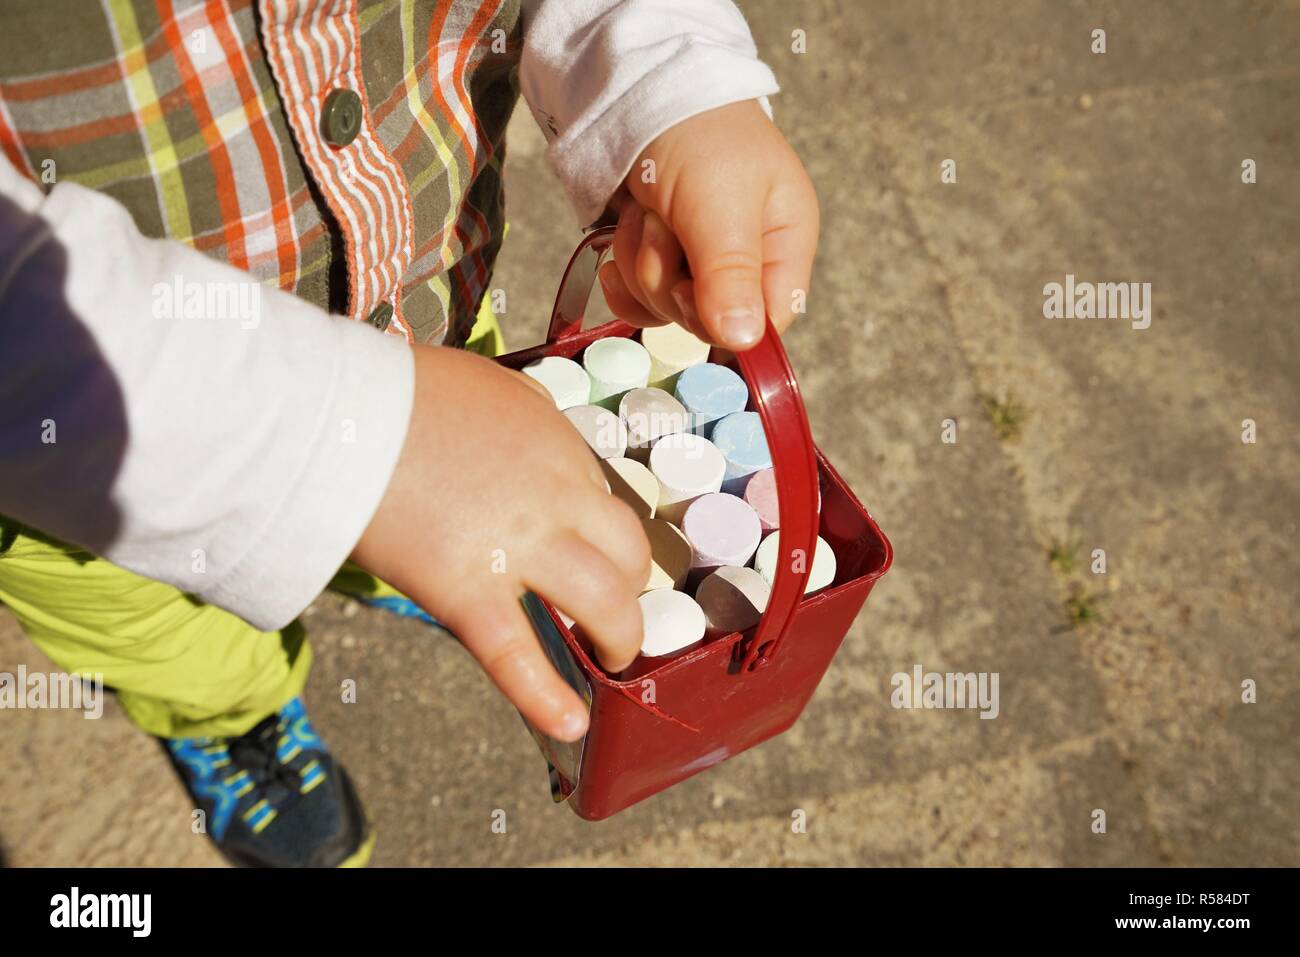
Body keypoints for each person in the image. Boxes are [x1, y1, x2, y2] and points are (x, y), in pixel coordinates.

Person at [0, 0, 817, 867]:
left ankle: (405, 559)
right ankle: (233, 720)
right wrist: (351, 442)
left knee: (461, 498)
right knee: (179, 647)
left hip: (439, 349)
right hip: (94, 477)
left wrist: (668, 75)